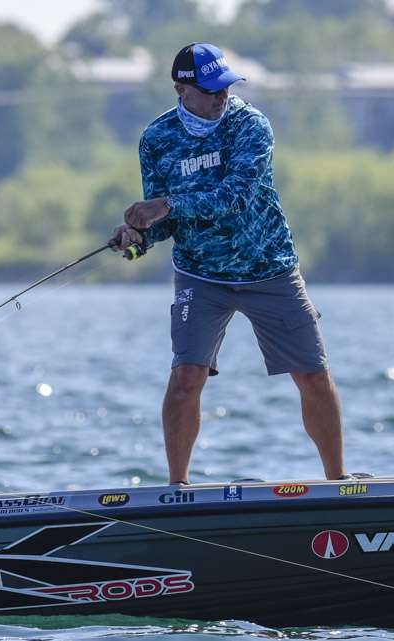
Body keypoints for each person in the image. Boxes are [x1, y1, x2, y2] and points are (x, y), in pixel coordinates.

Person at [111, 43, 346, 485]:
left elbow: (234, 199)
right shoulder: (157, 140)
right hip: (200, 275)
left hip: (268, 268)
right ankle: (177, 488)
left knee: (314, 376)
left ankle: (337, 481)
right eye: (210, 89)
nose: (221, 96)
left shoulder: (250, 125)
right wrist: (137, 240)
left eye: (226, 86)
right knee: (185, 379)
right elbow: (167, 223)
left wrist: (162, 205)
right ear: (182, 88)